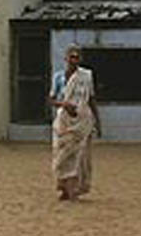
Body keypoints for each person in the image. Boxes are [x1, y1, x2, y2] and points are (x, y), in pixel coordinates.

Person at [49, 44, 101, 201]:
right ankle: (64, 188)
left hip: (82, 121)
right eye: (71, 57)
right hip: (64, 122)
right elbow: (51, 99)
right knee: (61, 155)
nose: (74, 60)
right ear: (66, 58)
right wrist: (64, 105)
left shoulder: (86, 77)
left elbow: (91, 99)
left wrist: (98, 122)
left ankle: (74, 190)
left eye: (77, 57)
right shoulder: (58, 77)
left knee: (80, 157)